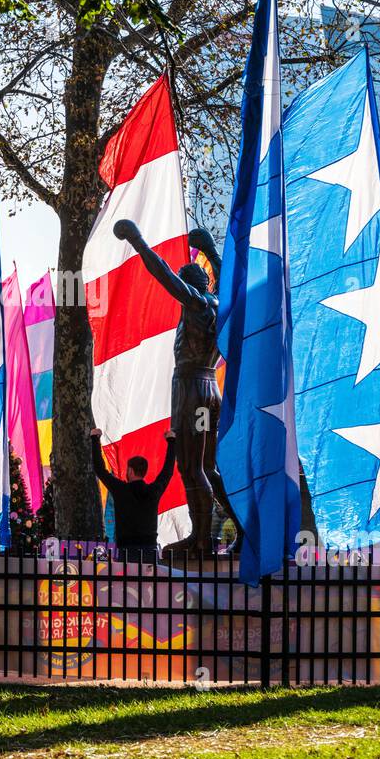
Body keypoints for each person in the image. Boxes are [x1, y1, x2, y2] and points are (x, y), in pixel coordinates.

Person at [112, 220, 238, 554]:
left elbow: (162, 273)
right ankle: (238, 530)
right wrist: (210, 248)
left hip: (192, 389)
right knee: (208, 467)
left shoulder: (195, 303)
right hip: (211, 390)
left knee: (191, 466)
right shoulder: (218, 302)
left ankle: (201, 540)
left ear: (190, 284)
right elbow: (228, 279)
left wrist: (137, 241)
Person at [90, 427, 176, 561]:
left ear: (130, 470)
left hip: (127, 551)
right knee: (150, 582)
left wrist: (95, 439)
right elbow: (167, 472)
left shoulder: (121, 490)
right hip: (149, 550)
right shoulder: (153, 491)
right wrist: (172, 442)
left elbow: (100, 470)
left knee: (127, 582)